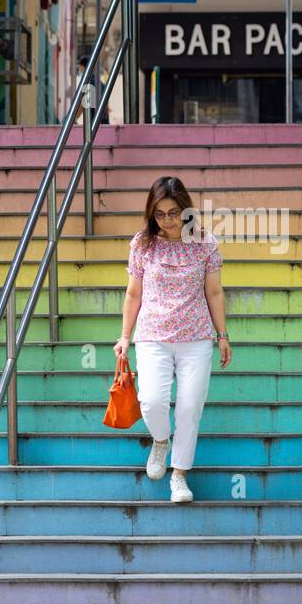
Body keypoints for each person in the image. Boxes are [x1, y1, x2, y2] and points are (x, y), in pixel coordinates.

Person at [113, 175, 231, 503]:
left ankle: (179, 475)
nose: (168, 221)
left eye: (174, 213)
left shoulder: (206, 244)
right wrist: (125, 336)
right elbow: (133, 294)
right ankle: (161, 441)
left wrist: (222, 335)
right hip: (152, 336)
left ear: (187, 210)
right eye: (160, 214)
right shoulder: (142, 244)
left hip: (195, 337)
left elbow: (214, 291)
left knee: (190, 407)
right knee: (151, 403)